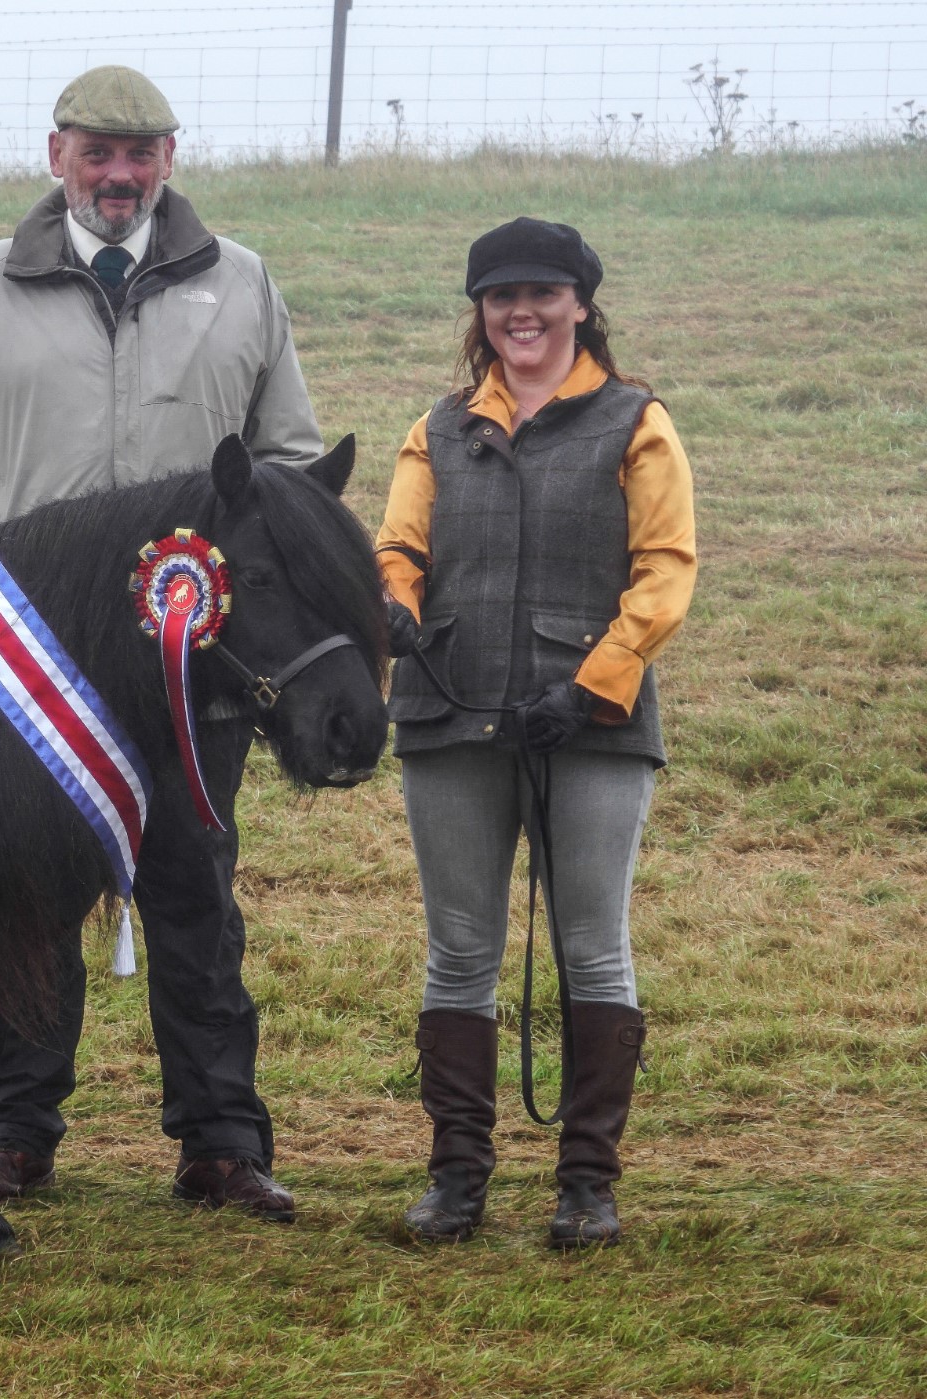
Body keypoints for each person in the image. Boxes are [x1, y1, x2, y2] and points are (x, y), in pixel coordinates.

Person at [0, 65, 324, 1218]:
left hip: (197, 664)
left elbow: (285, 459)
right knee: (24, 899)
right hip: (36, 663)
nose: (118, 174)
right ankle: (12, 1131)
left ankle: (220, 1143)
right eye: (96, 153)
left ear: (169, 160)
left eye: (139, 154)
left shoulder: (242, 285)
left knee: (194, 894)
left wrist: (240, 579)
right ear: (56, 156)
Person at [376, 217, 696, 1247]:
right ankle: (455, 1178)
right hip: (448, 716)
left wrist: (593, 685)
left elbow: (664, 571)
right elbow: (395, 548)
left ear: (578, 304)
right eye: (499, 294)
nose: (520, 310)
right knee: (457, 952)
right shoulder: (435, 426)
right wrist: (395, 609)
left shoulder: (634, 421)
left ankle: (586, 1189)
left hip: (589, 730)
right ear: (478, 311)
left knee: (591, 950)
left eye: (541, 292)